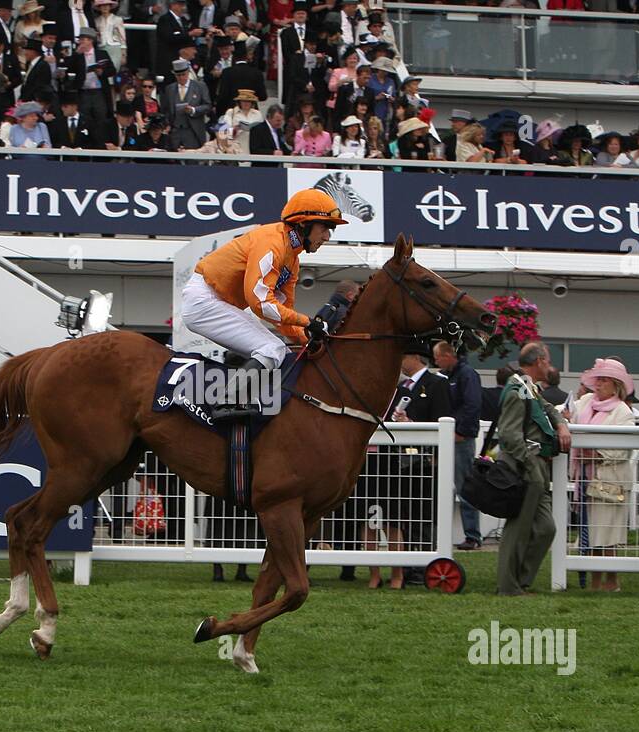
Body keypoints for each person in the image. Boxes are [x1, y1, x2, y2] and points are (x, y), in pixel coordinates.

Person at [181, 189, 346, 417]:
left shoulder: (292, 260)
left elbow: (282, 314)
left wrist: (307, 338)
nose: (328, 236)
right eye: (325, 228)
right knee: (272, 348)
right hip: (204, 299)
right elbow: (259, 302)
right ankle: (225, 404)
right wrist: (308, 322)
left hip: (215, 301)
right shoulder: (272, 243)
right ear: (302, 224)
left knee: (278, 349)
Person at [365, 343, 453, 589]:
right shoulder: (396, 388)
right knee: (382, 517)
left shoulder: (437, 383)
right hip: (391, 463)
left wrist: (412, 424)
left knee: (415, 518)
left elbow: (442, 419)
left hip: (420, 463)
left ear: (413, 356)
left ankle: (413, 571)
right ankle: (387, 573)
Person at [494, 343, 572, 596]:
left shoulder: (529, 386)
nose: (550, 366)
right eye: (548, 361)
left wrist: (561, 425)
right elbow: (508, 434)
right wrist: (529, 464)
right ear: (538, 361)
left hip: (535, 466)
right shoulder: (518, 389)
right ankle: (509, 586)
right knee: (518, 528)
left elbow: (549, 410)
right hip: (524, 467)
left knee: (546, 527)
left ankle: (521, 581)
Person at [569, 359, 637, 593]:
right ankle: (596, 582)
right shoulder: (586, 402)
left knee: (607, 533)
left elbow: (623, 448)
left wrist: (595, 452)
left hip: (610, 481)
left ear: (616, 384)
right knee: (591, 531)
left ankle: (611, 580)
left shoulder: (623, 411)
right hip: (585, 479)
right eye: (597, 379)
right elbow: (566, 411)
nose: (598, 384)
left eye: (604, 379)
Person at [433, 341, 483, 551]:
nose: (435, 362)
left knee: (464, 487)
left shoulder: (466, 375)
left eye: (437, 357)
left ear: (447, 355)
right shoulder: (450, 376)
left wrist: (460, 431)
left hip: (461, 439)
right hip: (449, 437)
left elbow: (472, 405)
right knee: (447, 487)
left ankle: (472, 535)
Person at [163, 58, 212, 150]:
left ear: (188, 72)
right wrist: (167, 124)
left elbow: (208, 106)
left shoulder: (200, 86)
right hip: (175, 132)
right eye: (178, 75)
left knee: (192, 161)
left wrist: (193, 110)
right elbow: (166, 110)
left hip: (193, 131)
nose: (181, 77)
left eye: (183, 74)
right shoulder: (169, 89)